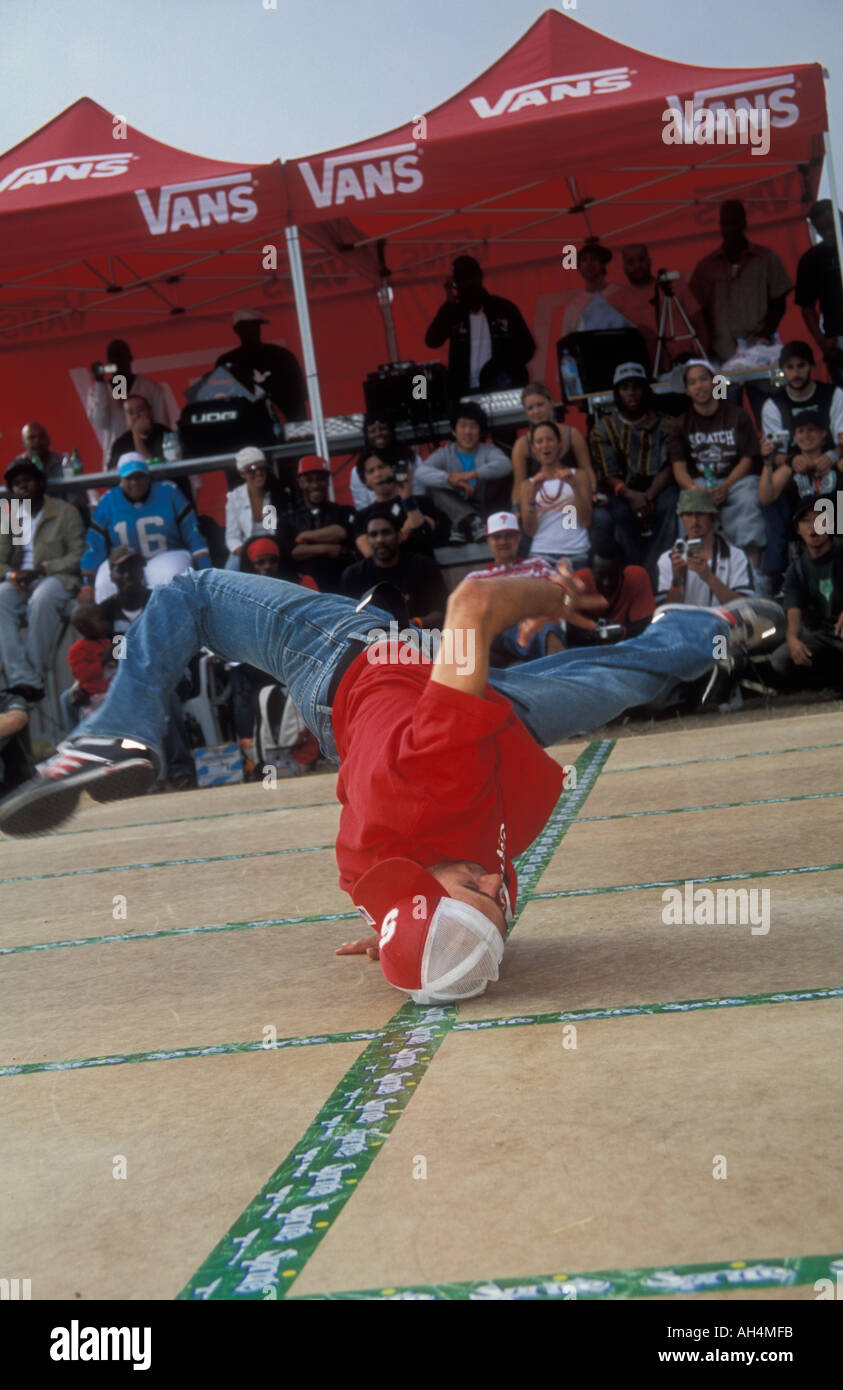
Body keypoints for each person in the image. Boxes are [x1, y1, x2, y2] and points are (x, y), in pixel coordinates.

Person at [0, 565, 786, 1003]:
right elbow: (402, 899)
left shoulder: (428, 774)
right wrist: (396, 937)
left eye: (471, 889)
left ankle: (116, 730)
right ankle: (711, 628)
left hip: (346, 659)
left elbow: (472, 602)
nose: (495, 882)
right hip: (474, 726)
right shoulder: (370, 879)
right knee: (623, 679)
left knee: (188, 595)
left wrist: (549, 592)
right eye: (495, 906)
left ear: (425, 890)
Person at [0, 458, 85, 702]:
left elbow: (78, 555)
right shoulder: (9, 515)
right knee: (0, 598)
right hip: (19, 582)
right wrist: (11, 574)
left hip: (55, 577)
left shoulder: (64, 511)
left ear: (40, 482)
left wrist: (41, 569)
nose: (22, 487)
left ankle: (33, 677)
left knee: (42, 598)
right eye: (16, 484)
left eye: (27, 481)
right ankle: (21, 677)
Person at [669, 360, 765, 567]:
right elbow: (679, 469)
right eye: (692, 382)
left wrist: (727, 485)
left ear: (714, 383)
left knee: (749, 499)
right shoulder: (679, 423)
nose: (699, 386)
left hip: (736, 480)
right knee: (688, 505)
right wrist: (697, 490)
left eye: (703, 379)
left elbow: (748, 458)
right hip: (698, 483)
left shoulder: (736, 415)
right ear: (686, 390)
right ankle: (693, 571)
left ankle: (753, 574)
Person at [80, 455, 211, 601]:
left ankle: (173, 623)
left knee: (173, 576)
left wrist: (206, 569)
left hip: (167, 554)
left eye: (139, 476)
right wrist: (87, 585)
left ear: (148, 476)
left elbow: (192, 533)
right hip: (124, 561)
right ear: (120, 480)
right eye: (129, 478)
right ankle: (119, 623)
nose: (135, 482)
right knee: (105, 583)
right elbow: (95, 546)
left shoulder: (169, 492)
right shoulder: (108, 501)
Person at [589, 362, 679, 575]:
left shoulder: (667, 423)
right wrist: (631, 496)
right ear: (617, 392)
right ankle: (634, 573)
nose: (632, 393)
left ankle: (657, 571)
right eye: (625, 387)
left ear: (646, 390)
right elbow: (608, 473)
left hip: (657, 486)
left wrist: (648, 496)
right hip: (622, 489)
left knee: (671, 505)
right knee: (619, 515)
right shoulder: (603, 428)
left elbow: (670, 465)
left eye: (637, 386)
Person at [689, 201, 792, 366]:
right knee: (720, 392)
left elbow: (779, 302)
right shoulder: (706, 266)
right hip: (719, 351)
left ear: (744, 223)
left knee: (766, 391)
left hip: (758, 350)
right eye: (725, 224)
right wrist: (706, 345)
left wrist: (766, 335)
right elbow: (696, 312)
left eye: (734, 223)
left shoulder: (766, 258)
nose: (729, 229)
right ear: (720, 226)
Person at [424, 255, 535, 397]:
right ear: (456, 284)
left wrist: (501, 367)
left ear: (480, 278)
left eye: (471, 278)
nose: (468, 284)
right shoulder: (454, 313)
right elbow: (432, 341)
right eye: (462, 280)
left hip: (503, 387)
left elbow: (527, 348)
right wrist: (449, 304)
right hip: (465, 392)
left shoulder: (503, 308)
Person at [470, 511, 565, 665]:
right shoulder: (476, 579)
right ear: (488, 540)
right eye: (497, 537)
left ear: (518, 537)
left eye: (509, 535)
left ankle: (563, 680)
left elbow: (564, 596)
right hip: (493, 635)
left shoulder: (538, 565)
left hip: (533, 627)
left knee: (548, 630)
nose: (503, 541)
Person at [768, 496, 843, 690]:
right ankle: (829, 684)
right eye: (806, 521)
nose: (813, 526)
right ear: (798, 529)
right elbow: (794, 616)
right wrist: (792, 639)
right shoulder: (797, 569)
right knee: (780, 659)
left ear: (832, 523)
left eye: (819, 519)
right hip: (823, 635)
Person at [413, 402, 512, 544]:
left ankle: (462, 524)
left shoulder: (488, 450)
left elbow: (505, 465)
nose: (467, 432)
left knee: (494, 475)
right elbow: (420, 473)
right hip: (455, 506)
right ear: (454, 431)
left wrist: (470, 475)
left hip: (483, 507)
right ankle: (471, 521)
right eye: (463, 426)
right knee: (433, 487)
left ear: (481, 431)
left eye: (473, 426)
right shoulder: (445, 453)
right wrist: (449, 479)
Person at [759, 419, 841, 583]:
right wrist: (768, 462)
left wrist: (835, 455)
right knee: (774, 509)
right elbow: (766, 498)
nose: (806, 436)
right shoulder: (789, 468)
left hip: (838, 535)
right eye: (801, 431)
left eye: (811, 430)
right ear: (795, 437)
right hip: (802, 539)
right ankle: (777, 577)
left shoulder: (836, 463)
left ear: (823, 434)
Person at [340, 508, 448, 619]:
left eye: (386, 532)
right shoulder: (354, 575)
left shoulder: (424, 567)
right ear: (368, 540)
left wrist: (414, 626)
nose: (380, 540)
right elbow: (348, 618)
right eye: (373, 535)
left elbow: (442, 611)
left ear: (400, 536)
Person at [655, 490, 756, 607]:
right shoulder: (668, 559)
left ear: (713, 517)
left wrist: (709, 577)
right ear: (682, 518)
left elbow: (745, 607)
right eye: (688, 514)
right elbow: (665, 614)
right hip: (682, 624)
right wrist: (676, 582)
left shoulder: (736, 556)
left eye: (700, 513)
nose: (694, 521)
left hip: (722, 624)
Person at [611, 243, 706, 368]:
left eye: (641, 259)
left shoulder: (675, 286)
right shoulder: (615, 300)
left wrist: (703, 360)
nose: (637, 265)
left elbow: (700, 324)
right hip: (648, 368)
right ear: (624, 267)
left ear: (649, 261)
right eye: (631, 262)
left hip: (689, 362)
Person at [86, 339, 176, 469]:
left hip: (150, 454)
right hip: (118, 454)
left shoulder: (149, 387)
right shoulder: (98, 389)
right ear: (107, 363)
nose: (117, 362)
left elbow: (162, 423)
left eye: (120, 357)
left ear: (130, 358)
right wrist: (100, 383)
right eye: (112, 359)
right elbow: (101, 423)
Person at [518, 421, 593, 568]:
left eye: (550, 439)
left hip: (576, 553)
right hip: (541, 554)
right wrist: (532, 495)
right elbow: (530, 531)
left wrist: (574, 487)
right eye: (539, 441)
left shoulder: (578, 475)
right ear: (533, 449)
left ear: (560, 444)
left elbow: (585, 521)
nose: (545, 446)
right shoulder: (527, 485)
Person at [214, 308, 307, 422]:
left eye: (255, 326)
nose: (252, 330)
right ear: (237, 330)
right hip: (244, 430)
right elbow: (220, 405)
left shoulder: (282, 355)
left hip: (282, 427)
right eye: (246, 327)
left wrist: (297, 429)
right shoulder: (225, 362)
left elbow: (298, 399)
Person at [277, 456, 355, 592]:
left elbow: (340, 532)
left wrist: (304, 536)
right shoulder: (287, 519)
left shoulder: (344, 511)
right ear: (300, 483)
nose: (315, 485)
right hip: (304, 586)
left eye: (320, 479)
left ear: (327, 482)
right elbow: (292, 552)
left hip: (340, 582)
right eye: (309, 480)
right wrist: (328, 548)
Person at [352, 456, 448, 559]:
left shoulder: (422, 502)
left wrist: (407, 498)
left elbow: (425, 533)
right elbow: (370, 554)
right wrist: (403, 533)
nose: (378, 474)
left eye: (382, 467)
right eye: (371, 471)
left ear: (394, 470)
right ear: (365, 480)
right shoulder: (362, 516)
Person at [795, 200, 843, 387]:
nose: (828, 233)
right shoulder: (812, 259)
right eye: (822, 230)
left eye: (831, 226)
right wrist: (821, 341)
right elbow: (806, 307)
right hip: (837, 338)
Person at [569, 546, 655, 645]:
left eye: (612, 576)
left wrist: (622, 631)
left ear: (622, 572)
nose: (606, 583)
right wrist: (591, 635)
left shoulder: (637, 577)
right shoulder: (576, 583)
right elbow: (567, 629)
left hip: (627, 644)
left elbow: (646, 624)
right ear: (591, 572)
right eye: (600, 576)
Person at [224, 446, 285, 571]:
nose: (258, 473)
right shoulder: (234, 498)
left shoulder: (274, 492)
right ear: (242, 474)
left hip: (272, 544)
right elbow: (231, 537)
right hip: (245, 547)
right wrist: (246, 553)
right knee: (228, 572)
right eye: (251, 469)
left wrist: (264, 550)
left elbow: (271, 530)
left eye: (262, 468)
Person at [350, 415, 424, 512]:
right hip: (378, 519)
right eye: (372, 431)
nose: (378, 434)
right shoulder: (358, 470)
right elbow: (363, 507)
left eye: (383, 428)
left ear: (391, 431)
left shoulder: (410, 459)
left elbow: (420, 494)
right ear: (366, 436)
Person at [560, 239, 627, 336]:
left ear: (603, 264)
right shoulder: (573, 307)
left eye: (594, 259)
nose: (589, 264)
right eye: (584, 260)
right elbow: (567, 341)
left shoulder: (620, 293)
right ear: (579, 267)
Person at [106, 394, 170, 470]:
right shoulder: (120, 443)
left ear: (150, 412)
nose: (136, 416)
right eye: (130, 412)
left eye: (140, 410)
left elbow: (153, 468)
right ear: (125, 418)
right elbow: (112, 471)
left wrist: (137, 436)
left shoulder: (165, 434)